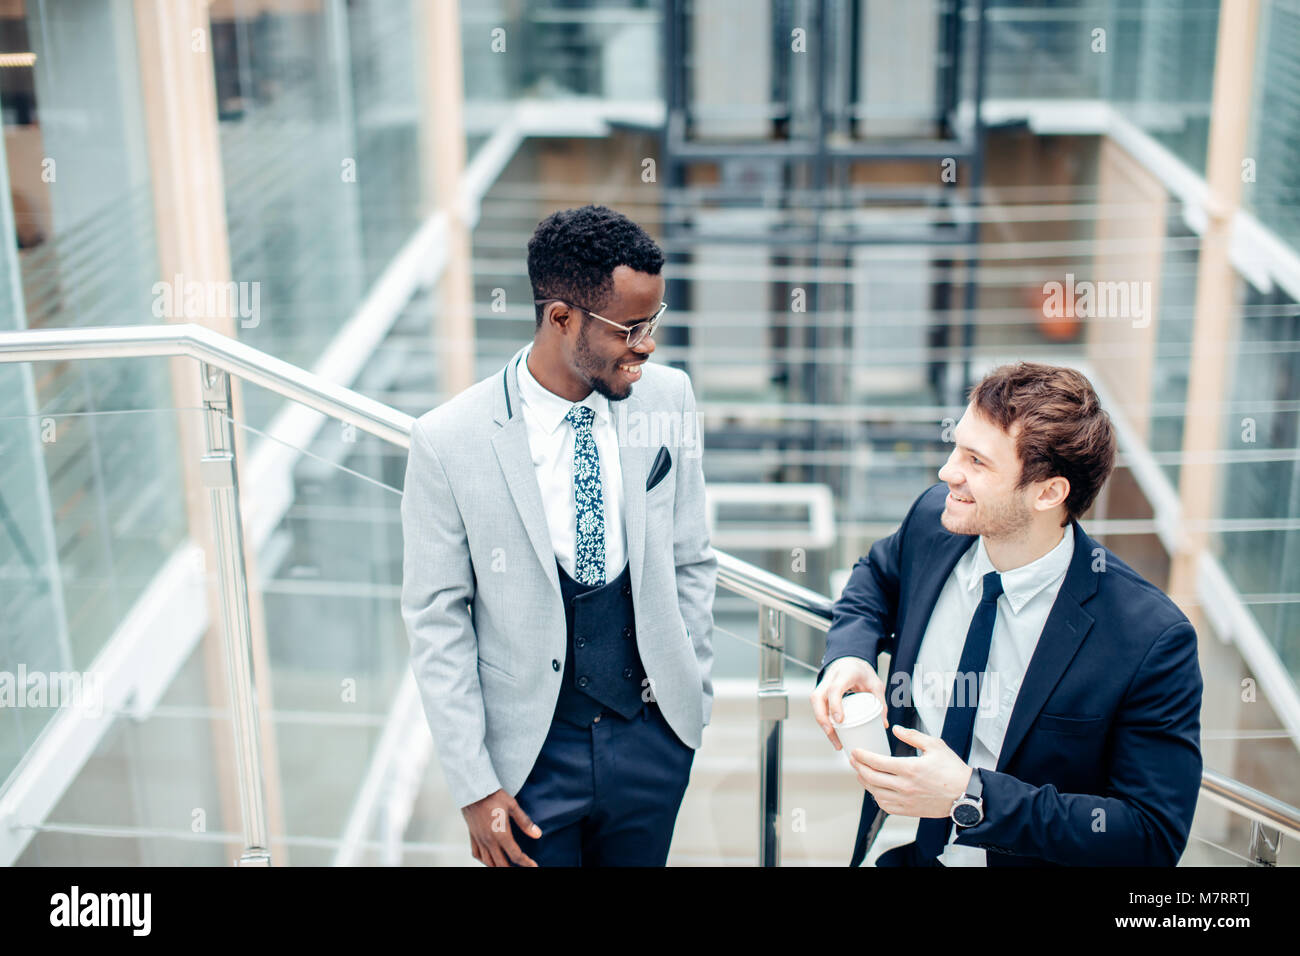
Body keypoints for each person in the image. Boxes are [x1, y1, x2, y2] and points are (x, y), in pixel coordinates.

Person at [400, 205, 716, 866]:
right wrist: (473, 783)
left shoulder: (668, 399)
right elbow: (437, 621)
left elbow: (692, 556)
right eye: (631, 328)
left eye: (653, 323)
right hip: (528, 766)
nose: (647, 345)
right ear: (562, 318)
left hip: (653, 746)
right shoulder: (448, 441)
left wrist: (691, 700)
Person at [811, 363, 1203, 867]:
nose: (947, 472)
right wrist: (850, 654)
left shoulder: (1150, 639)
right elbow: (876, 577)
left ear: (1048, 493)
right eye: (957, 447)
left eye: (976, 460)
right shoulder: (936, 519)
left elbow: (1150, 836)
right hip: (894, 850)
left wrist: (970, 798)